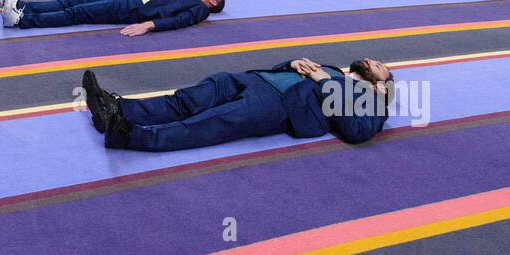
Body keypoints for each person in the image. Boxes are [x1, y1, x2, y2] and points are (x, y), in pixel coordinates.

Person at [80, 57, 393, 151]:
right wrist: (292, 63)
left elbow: (355, 131)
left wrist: (324, 82)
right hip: (254, 80)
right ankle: (116, 110)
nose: (371, 60)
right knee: (185, 101)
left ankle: (127, 135)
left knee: (208, 124)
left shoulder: (374, 105)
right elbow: (292, 69)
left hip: (277, 107)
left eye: (378, 65)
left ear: (381, 86)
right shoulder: (337, 71)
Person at [0, 0, 223, 33]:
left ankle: (19, 20)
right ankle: (20, 5)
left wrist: (148, 25)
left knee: (76, 13)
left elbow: (179, 21)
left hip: (130, 8)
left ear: (212, 2)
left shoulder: (200, 9)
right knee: (72, 0)